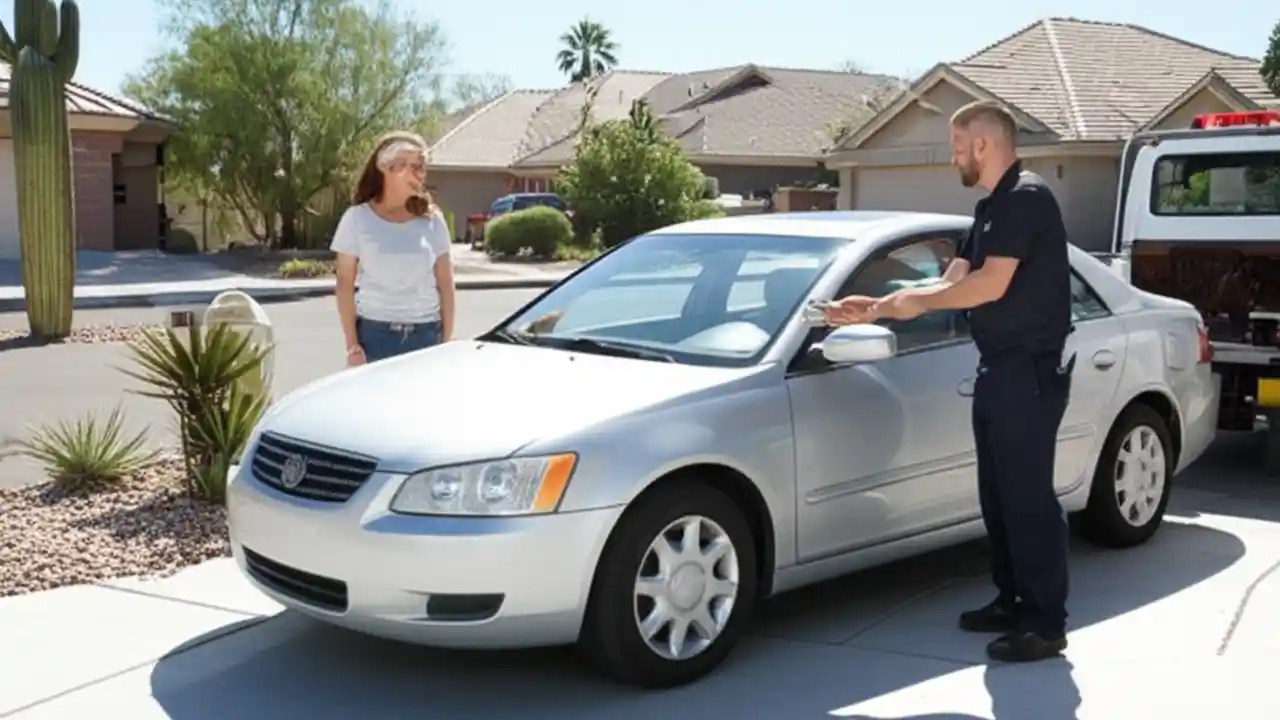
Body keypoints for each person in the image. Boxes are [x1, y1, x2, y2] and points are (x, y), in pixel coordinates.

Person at [824, 99, 1074, 663]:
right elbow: (952, 280)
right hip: (998, 372)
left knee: (1028, 498)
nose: (954, 156)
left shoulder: (1026, 198)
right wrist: (879, 306)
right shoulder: (992, 208)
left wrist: (902, 305)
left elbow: (989, 286)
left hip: (1027, 373)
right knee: (998, 495)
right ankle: (1011, 600)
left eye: (958, 145)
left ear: (983, 144)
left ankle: (1044, 621)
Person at [331, 131, 456, 366]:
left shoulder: (433, 219)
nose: (420, 175)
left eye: (422, 167)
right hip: (374, 337)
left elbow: (446, 285)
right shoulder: (357, 219)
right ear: (387, 169)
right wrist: (352, 345)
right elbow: (344, 284)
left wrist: (447, 339)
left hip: (426, 337)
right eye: (412, 167)